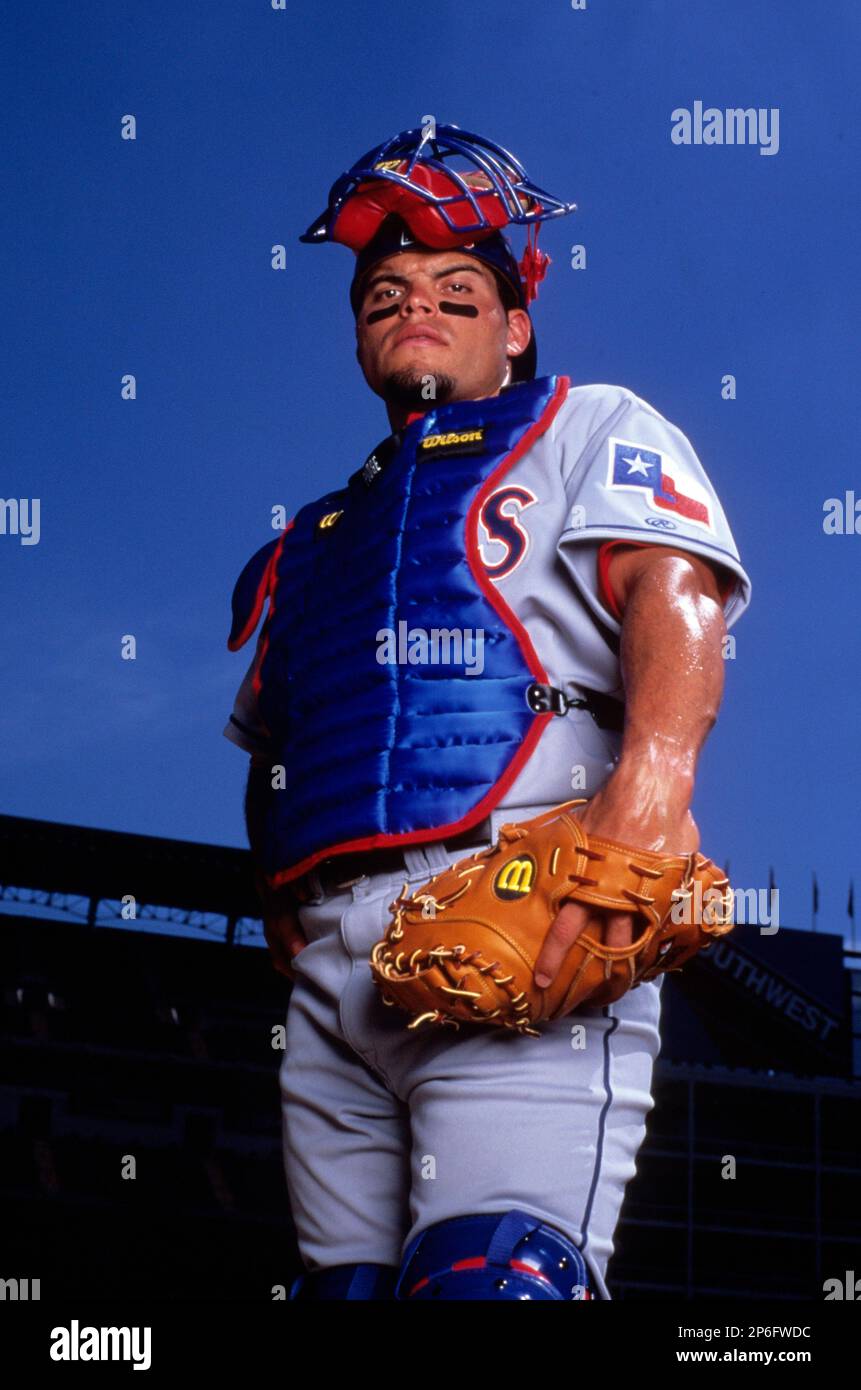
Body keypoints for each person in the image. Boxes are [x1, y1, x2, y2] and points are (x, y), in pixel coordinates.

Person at [223, 123, 751, 1300]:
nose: (416, 306)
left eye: (457, 290)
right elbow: (276, 741)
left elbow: (678, 590)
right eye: (386, 294)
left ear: (516, 323)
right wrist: (280, 908)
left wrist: (653, 789)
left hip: (523, 911)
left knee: (494, 1281)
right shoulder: (308, 541)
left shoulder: (587, 426)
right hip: (332, 986)